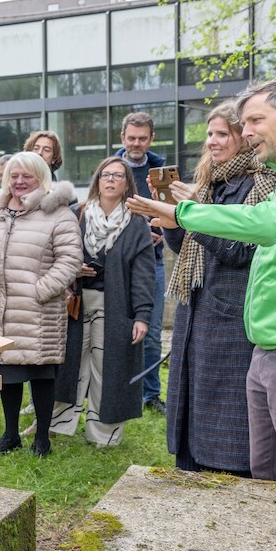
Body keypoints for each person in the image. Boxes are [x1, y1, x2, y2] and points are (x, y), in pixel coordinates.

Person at [128, 79, 276, 489]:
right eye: (243, 123)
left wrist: (187, 212)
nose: (248, 131)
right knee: (265, 483)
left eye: (256, 120)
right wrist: (182, 216)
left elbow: (268, 224)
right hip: (270, 346)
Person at [162, 102, 276, 477]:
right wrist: (173, 218)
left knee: (229, 414)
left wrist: (193, 213)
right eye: (209, 134)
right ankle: (195, 470)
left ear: (243, 138)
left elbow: (240, 250)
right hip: (197, 312)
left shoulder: (262, 184)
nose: (212, 141)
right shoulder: (210, 183)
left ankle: (232, 479)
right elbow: (187, 247)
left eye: (222, 134)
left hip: (233, 319)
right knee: (195, 406)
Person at [0, 152, 81, 456]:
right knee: (7, 373)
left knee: (41, 372)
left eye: (27, 176)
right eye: (14, 175)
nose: (19, 182)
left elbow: (70, 259)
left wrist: (40, 290)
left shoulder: (58, 214)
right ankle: (11, 435)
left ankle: (42, 438)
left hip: (38, 310)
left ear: (41, 178)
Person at [50, 157, 154, 447]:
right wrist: (74, 268)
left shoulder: (136, 224)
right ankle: (57, 424)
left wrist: (142, 316)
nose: (110, 180)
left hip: (115, 306)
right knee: (68, 365)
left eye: (118, 176)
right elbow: (54, 254)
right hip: (75, 303)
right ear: (97, 180)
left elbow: (144, 274)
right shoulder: (77, 215)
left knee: (107, 367)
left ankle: (104, 434)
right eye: (105, 174)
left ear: (127, 183)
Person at [114, 112, 167, 413]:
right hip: (118, 263)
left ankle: (150, 394)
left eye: (142, 138)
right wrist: (136, 230)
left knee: (152, 332)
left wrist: (162, 230)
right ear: (122, 137)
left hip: (153, 262)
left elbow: (174, 210)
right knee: (120, 330)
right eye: (131, 138)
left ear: (151, 139)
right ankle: (121, 390)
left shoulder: (162, 171)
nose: (136, 143)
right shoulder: (110, 170)